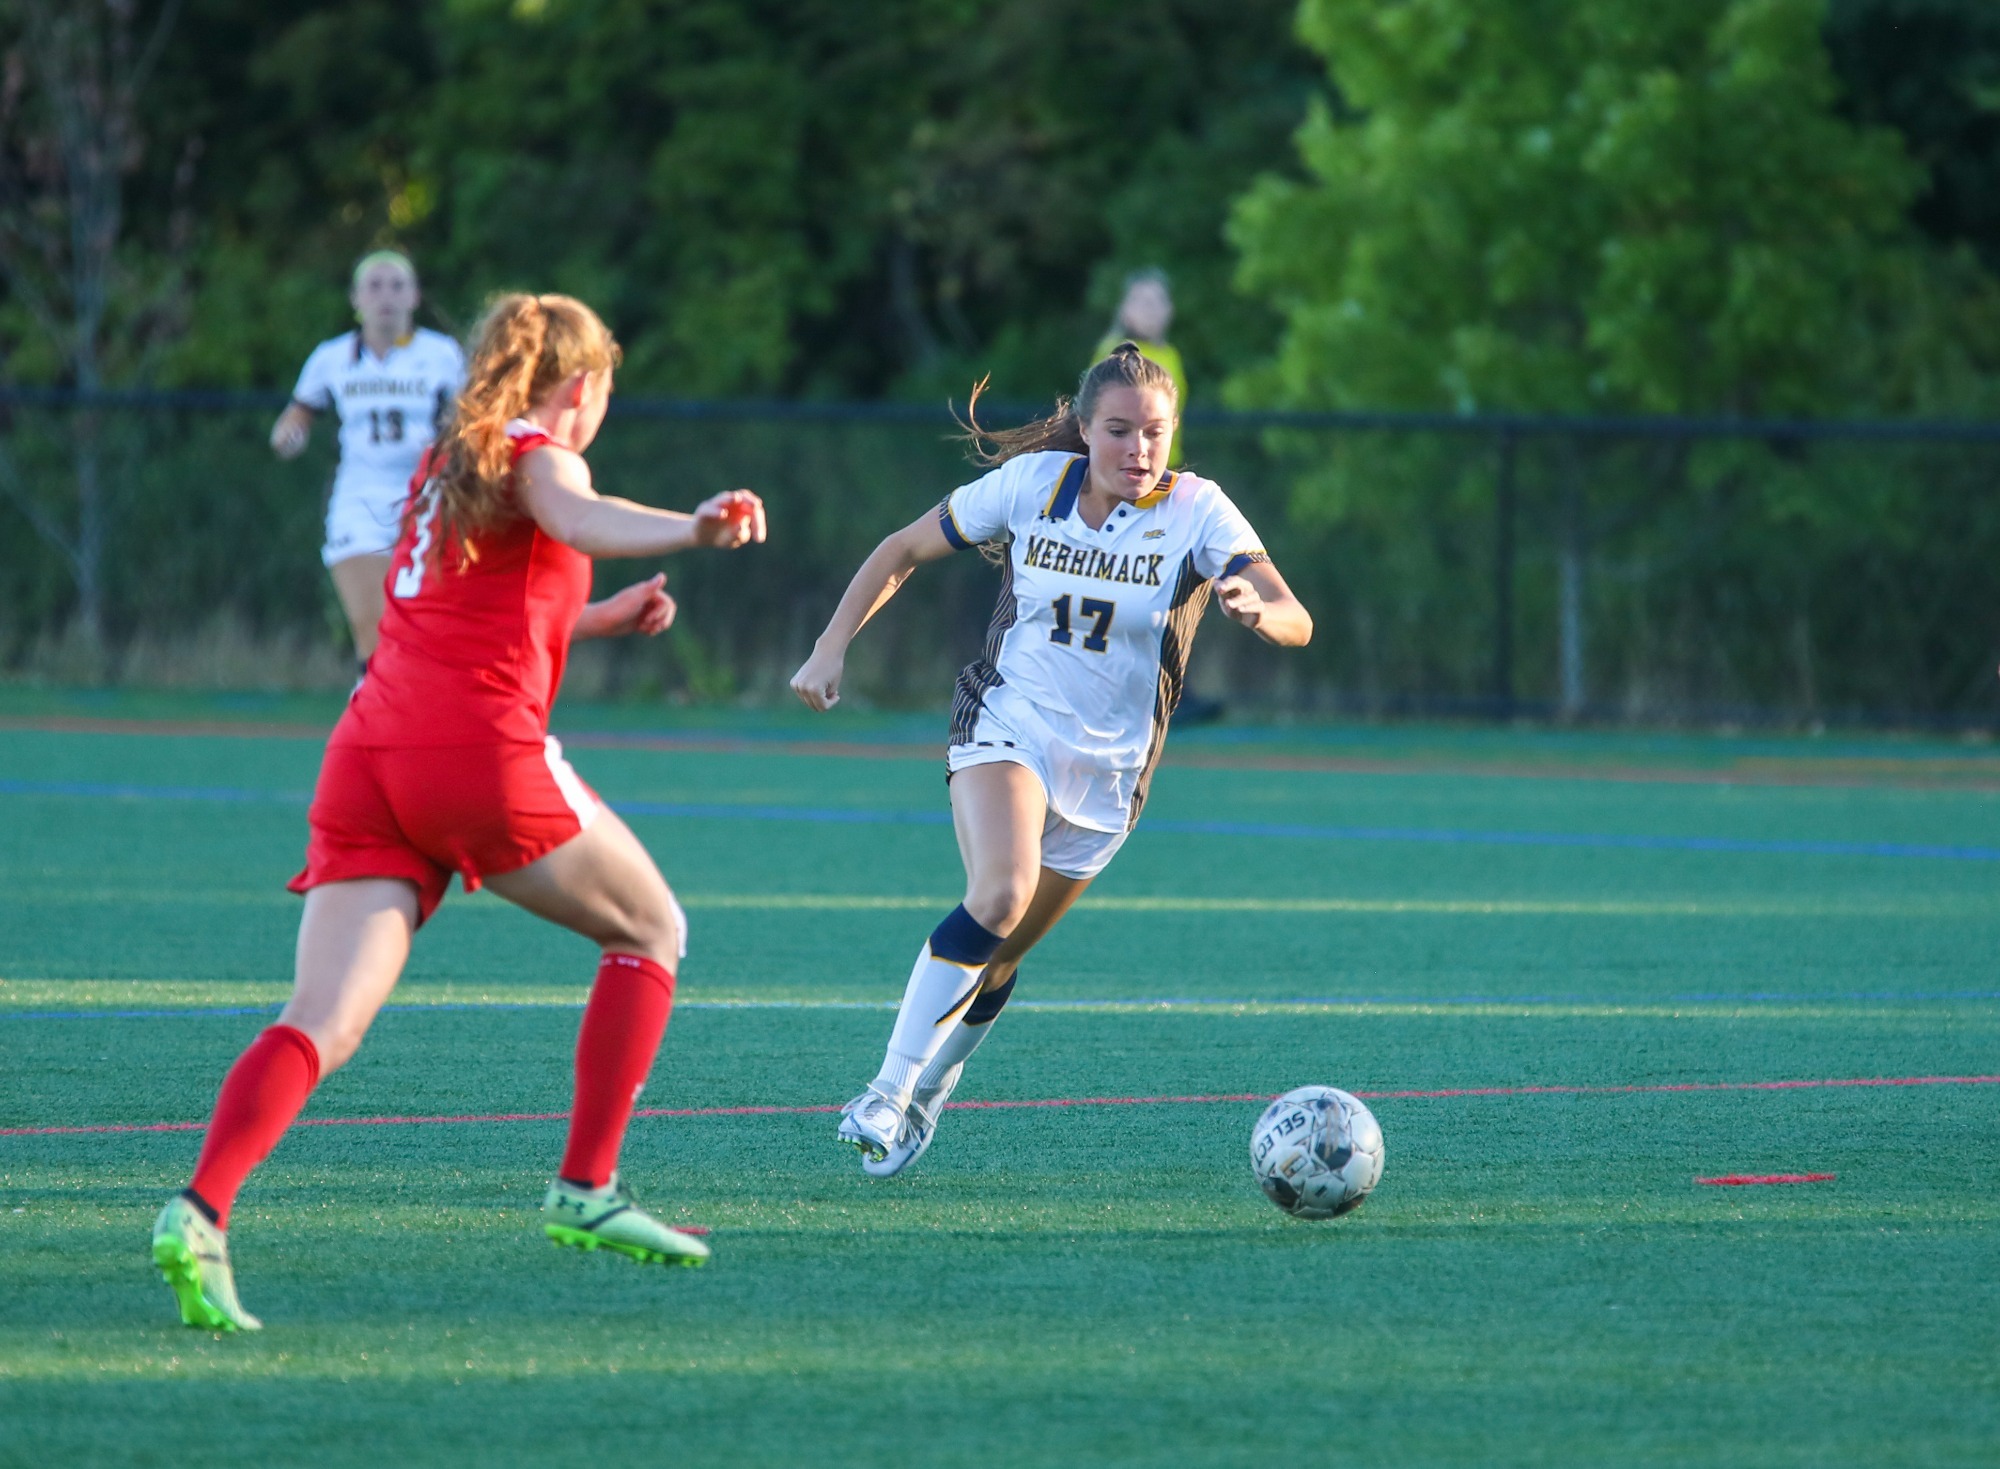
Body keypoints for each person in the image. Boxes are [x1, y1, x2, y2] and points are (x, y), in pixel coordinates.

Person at [152, 293, 767, 1332]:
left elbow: (479, 602)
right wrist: (694, 528)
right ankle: (586, 1188)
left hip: (367, 754)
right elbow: (576, 514)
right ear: (582, 388)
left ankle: (200, 1208)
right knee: (654, 927)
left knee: (321, 1019)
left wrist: (599, 618)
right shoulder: (539, 453)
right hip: (471, 755)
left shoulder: (453, 463)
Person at [789, 343, 1311, 1177]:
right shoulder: (1033, 488)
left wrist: (1258, 609)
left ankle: (932, 1088)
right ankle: (887, 1088)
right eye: (1118, 431)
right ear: (1084, 427)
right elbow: (900, 549)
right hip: (1010, 722)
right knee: (999, 892)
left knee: (1001, 952)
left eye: (1155, 434)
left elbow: (1296, 615)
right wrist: (828, 648)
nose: (1138, 451)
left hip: (1111, 775)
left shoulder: (1200, 511)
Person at [271, 250, 466, 667]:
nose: (386, 297)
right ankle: (374, 724)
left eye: (397, 286)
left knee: (428, 630)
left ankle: (414, 722)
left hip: (429, 500)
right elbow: (296, 415)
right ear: (355, 298)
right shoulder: (332, 357)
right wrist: (288, 435)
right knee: (375, 631)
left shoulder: (442, 354)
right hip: (360, 498)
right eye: (374, 286)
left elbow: (469, 422)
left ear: (414, 296)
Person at [1093, 270, 1187, 467]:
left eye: (1157, 302)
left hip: (1164, 467)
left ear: (1169, 309)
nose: (1150, 309)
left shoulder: (1171, 355)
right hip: (1126, 469)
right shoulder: (1115, 351)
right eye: (1142, 302)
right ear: (1125, 309)